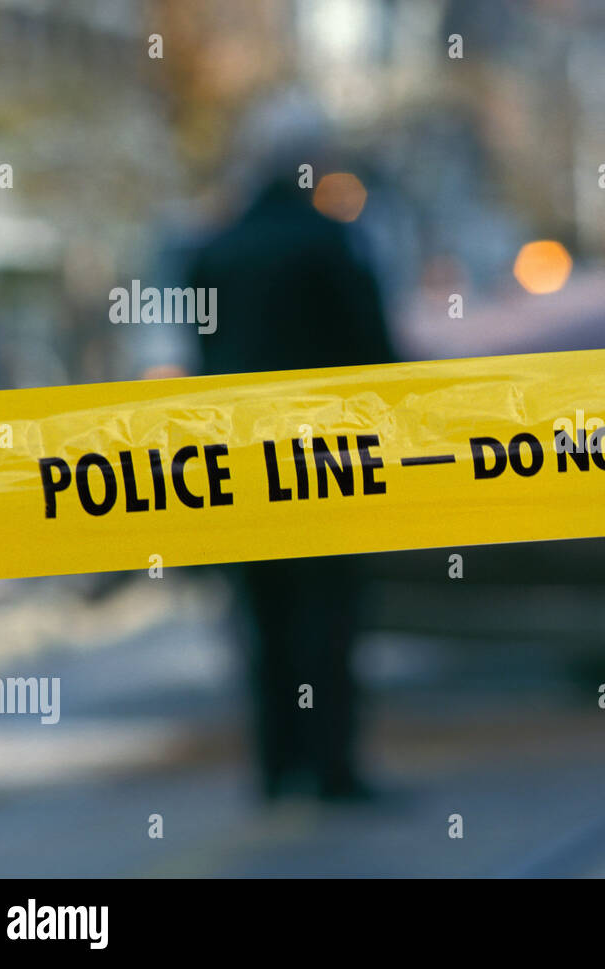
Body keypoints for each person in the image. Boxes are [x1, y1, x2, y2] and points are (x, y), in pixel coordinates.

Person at [187, 95, 396, 800]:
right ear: (311, 163)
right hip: (324, 462)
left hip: (241, 461)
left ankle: (276, 766)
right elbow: (374, 353)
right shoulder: (328, 242)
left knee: (266, 620)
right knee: (326, 619)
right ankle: (331, 765)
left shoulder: (213, 247)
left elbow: (203, 357)